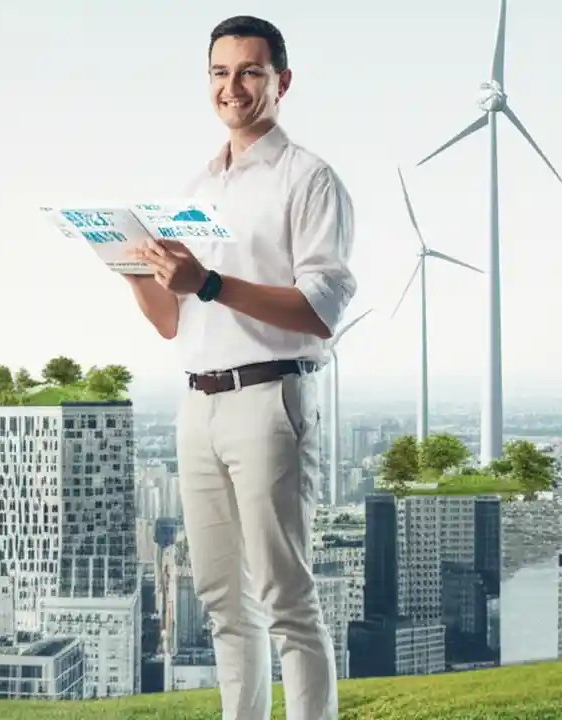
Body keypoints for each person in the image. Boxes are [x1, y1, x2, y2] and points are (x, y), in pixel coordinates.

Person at [125, 14, 355, 720]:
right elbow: (175, 322)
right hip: (199, 405)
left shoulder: (309, 180)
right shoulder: (198, 186)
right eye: (221, 73)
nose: (234, 87)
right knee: (223, 598)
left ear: (281, 81)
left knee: (286, 595)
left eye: (251, 72)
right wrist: (136, 271)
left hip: (268, 399)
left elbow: (322, 307)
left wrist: (213, 282)